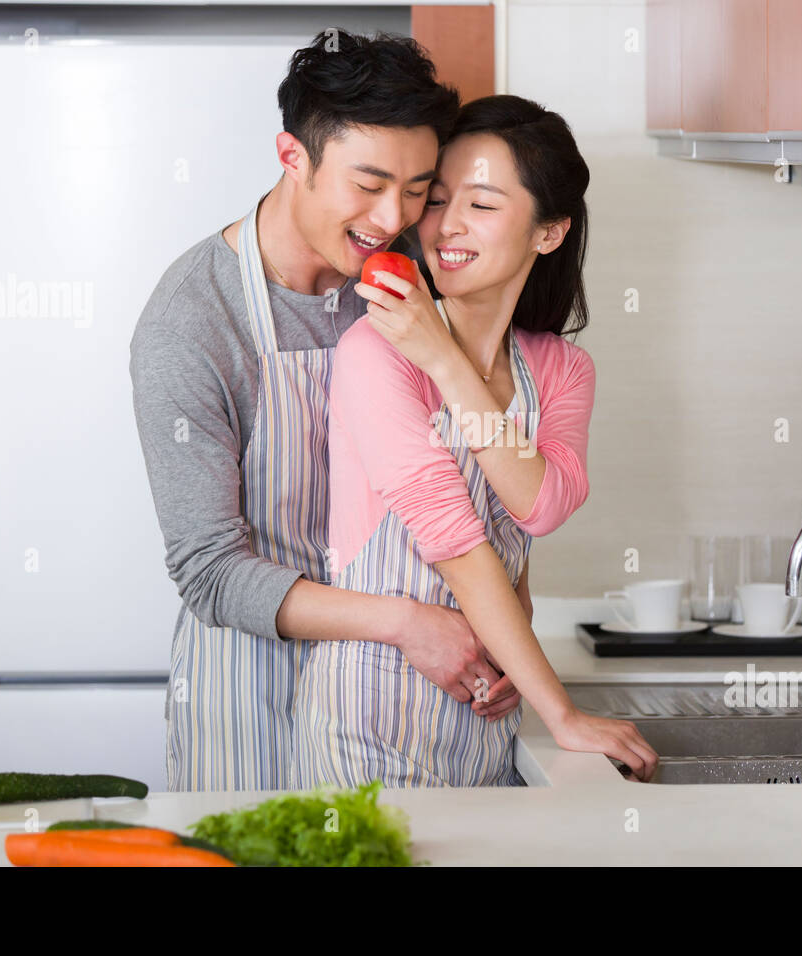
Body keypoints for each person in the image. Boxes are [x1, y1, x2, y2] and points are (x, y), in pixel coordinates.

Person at [129, 30, 523, 793]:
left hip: (406, 696)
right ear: (293, 157)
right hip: (255, 693)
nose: (393, 214)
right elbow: (211, 573)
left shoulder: (409, 280)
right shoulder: (193, 323)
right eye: (368, 183)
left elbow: (473, 481)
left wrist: (500, 633)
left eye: (417, 188)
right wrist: (407, 624)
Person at [292, 95, 659, 787]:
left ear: (548, 232)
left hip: (486, 720)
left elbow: (540, 506)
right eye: (437, 199)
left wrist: (447, 362)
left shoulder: (560, 370)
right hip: (368, 723)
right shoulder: (375, 350)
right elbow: (455, 542)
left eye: (482, 205)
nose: (447, 225)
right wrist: (563, 714)